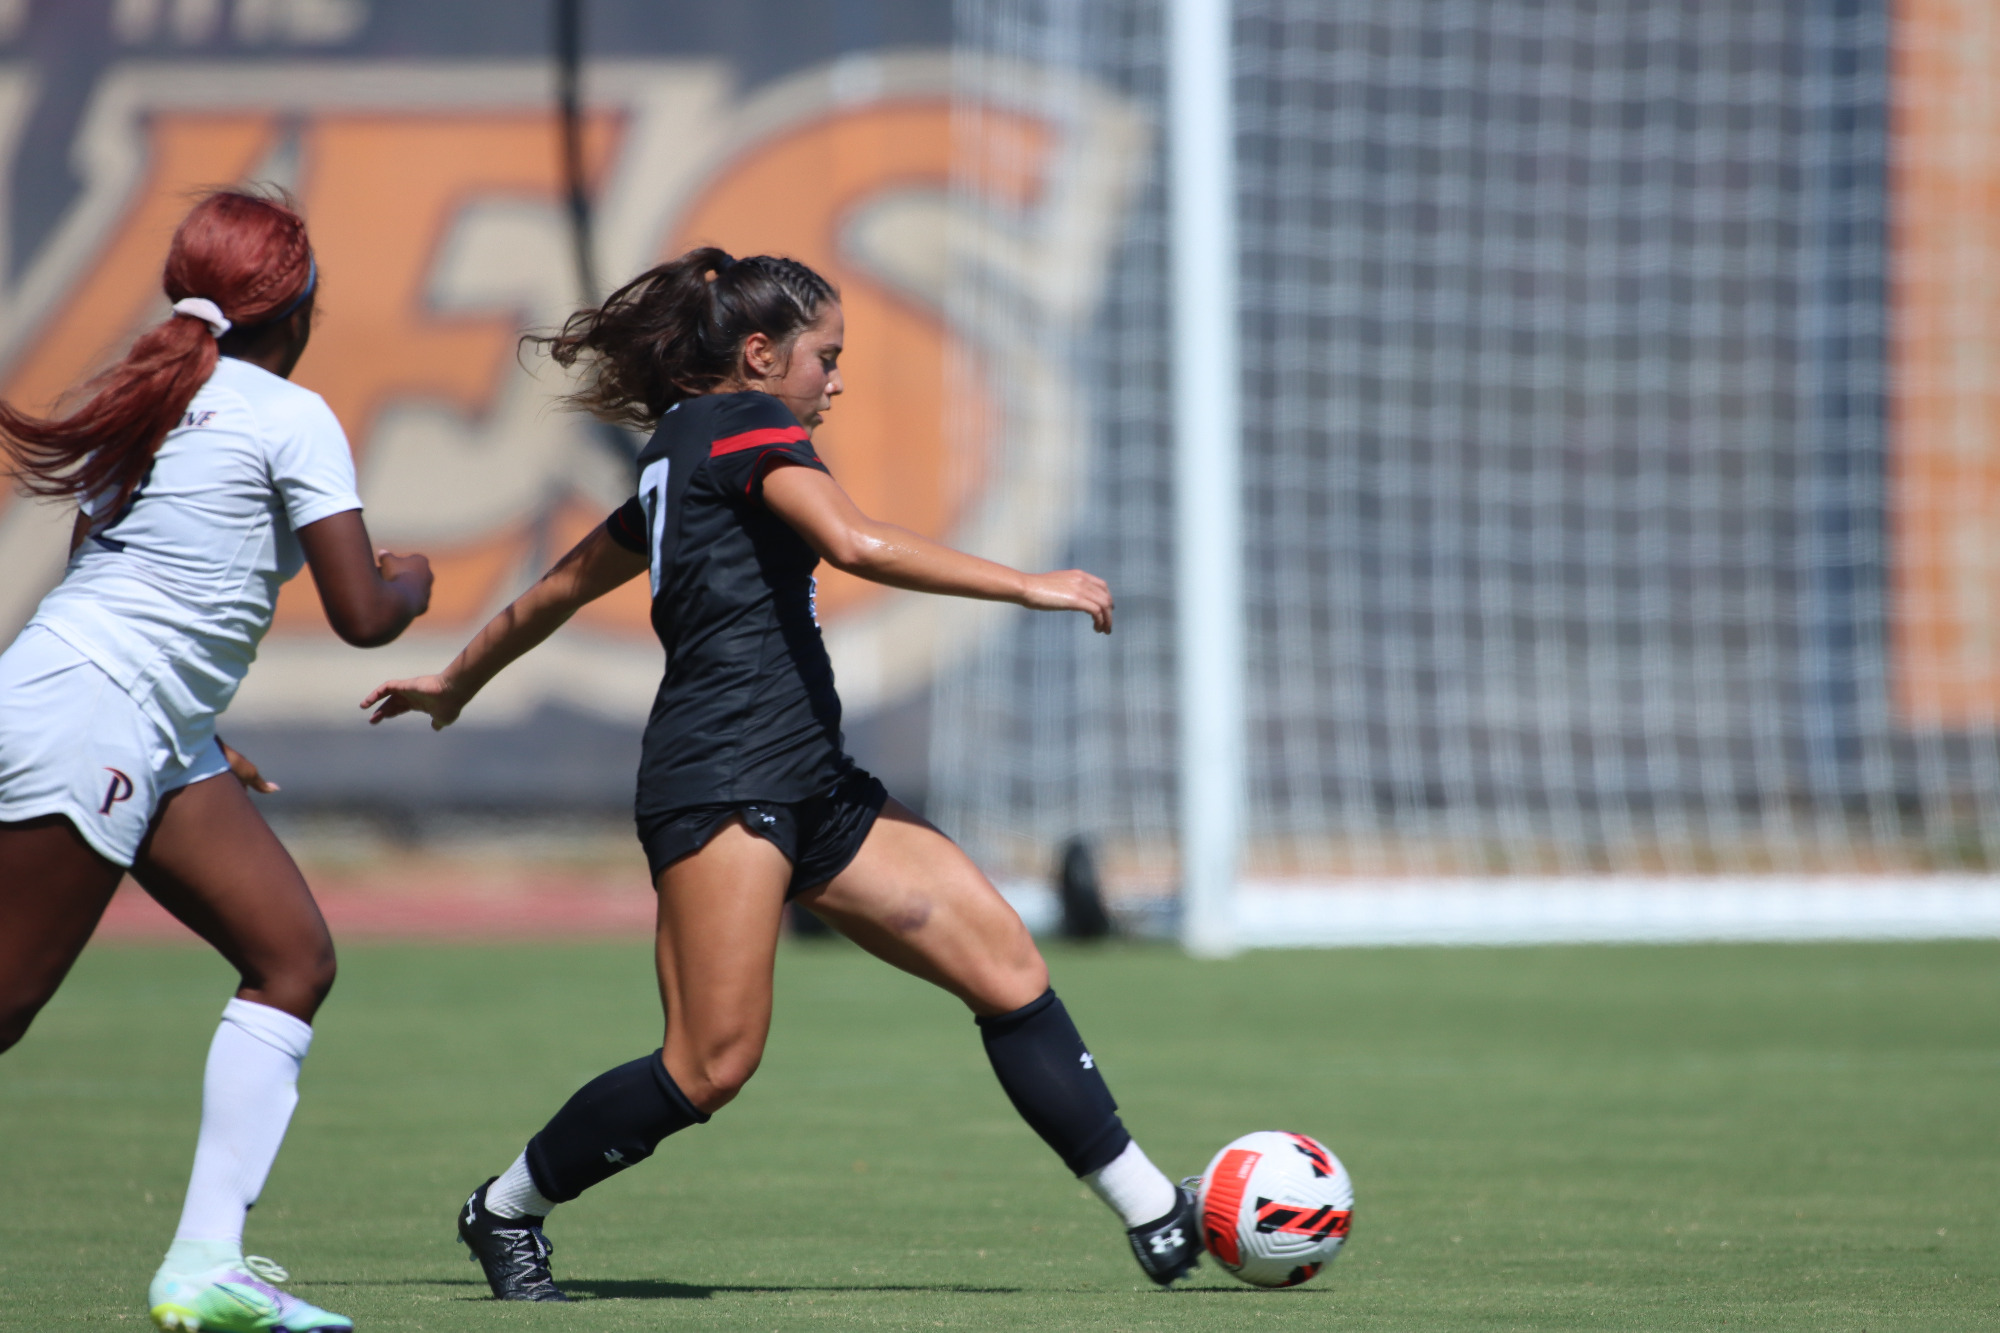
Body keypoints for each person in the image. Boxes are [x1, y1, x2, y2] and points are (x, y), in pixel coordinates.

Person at [361, 248, 1201, 1300]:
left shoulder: (683, 452)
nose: (836, 381)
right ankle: (506, 1207)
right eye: (826, 357)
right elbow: (851, 543)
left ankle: (1155, 1210)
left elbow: (555, 592)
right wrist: (1031, 585)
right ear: (758, 356)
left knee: (1007, 971)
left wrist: (456, 681)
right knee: (708, 1065)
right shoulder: (744, 426)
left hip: (809, 778)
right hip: (719, 780)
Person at [0, 190, 434, 1333]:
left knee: (290, 955)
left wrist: (189, 724)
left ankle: (205, 1266)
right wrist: (414, 581)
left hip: (125, 715)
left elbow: (109, 566)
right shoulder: (287, 412)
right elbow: (361, 613)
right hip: (97, 717)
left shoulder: (154, 393)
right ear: (296, 302)